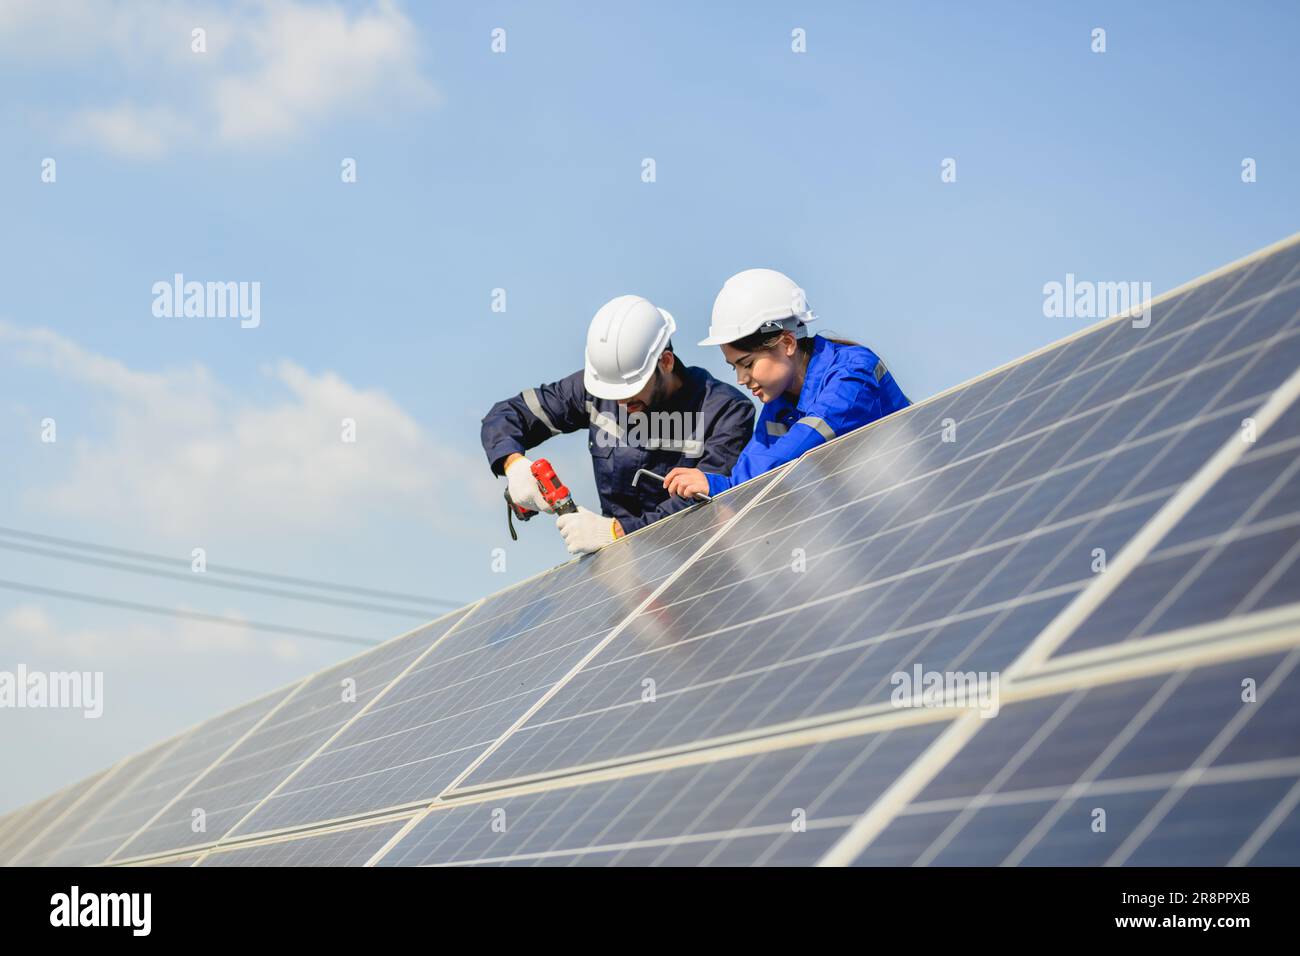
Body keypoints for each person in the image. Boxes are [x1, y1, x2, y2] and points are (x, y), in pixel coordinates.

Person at [481, 295, 756, 554]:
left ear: (666, 362)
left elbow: (709, 502)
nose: (621, 401)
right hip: (619, 572)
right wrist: (513, 464)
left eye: (631, 388)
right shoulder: (600, 388)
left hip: (698, 567)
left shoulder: (726, 411)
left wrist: (617, 531)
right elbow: (508, 414)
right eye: (613, 392)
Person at [664, 269, 910, 499]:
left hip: (916, 501)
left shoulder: (853, 374)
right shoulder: (780, 404)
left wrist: (720, 487)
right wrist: (724, 490)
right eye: (734, 367)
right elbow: (755, 462)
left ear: (788, 343)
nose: (741, 379)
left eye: (748, 364)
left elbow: (796, 446)